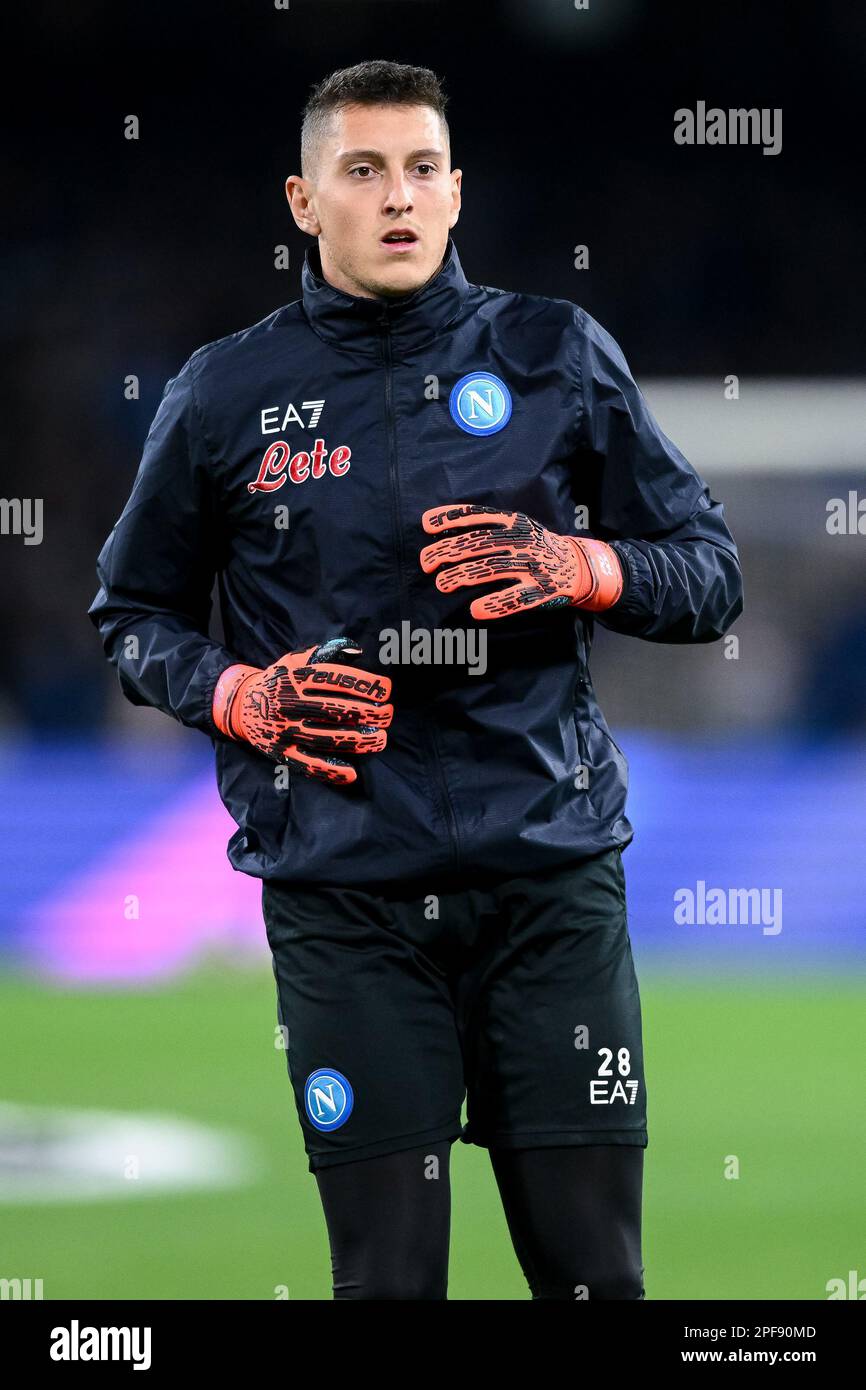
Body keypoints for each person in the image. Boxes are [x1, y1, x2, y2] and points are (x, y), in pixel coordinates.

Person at [89, 59, 743, 1300]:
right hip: (346, 898)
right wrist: (240, 696)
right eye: (364, 170)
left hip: (548, 883)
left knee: (595, 1274)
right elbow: (131, 613)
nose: (399, 197)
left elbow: (707, 571)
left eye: (423, 169)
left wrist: (585, 564)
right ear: (302, 199)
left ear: (456, 195)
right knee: (386, 1285)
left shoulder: (556, 352)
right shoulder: (225, 393)